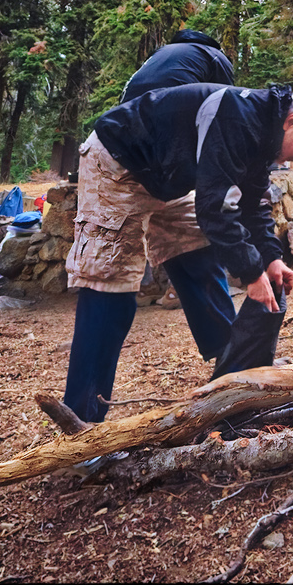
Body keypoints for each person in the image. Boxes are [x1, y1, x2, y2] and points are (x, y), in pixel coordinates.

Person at [60, 82, 293, 426]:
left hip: (165, 176)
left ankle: (234, 370)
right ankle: (82, 424)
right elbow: (215, 210)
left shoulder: (263, 133)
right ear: (291, 121)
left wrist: (270, 258)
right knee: (111, 289)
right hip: (119, 164)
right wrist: (252, 274)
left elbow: (252, 203)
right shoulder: (239, 118)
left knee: (198, 254)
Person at [115, 27, 239, 358]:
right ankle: (229, 348)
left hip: (125, 145)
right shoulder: (214, 57)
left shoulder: (160, 56)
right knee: (195, 236)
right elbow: (224, 109)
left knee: (179, 235)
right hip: (166, 140)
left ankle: (227, 350)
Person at [121, 27, 234, 100]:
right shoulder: (214, 53)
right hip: (172, 100)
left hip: (127, 103)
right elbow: (226, 96)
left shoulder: (162, 50)